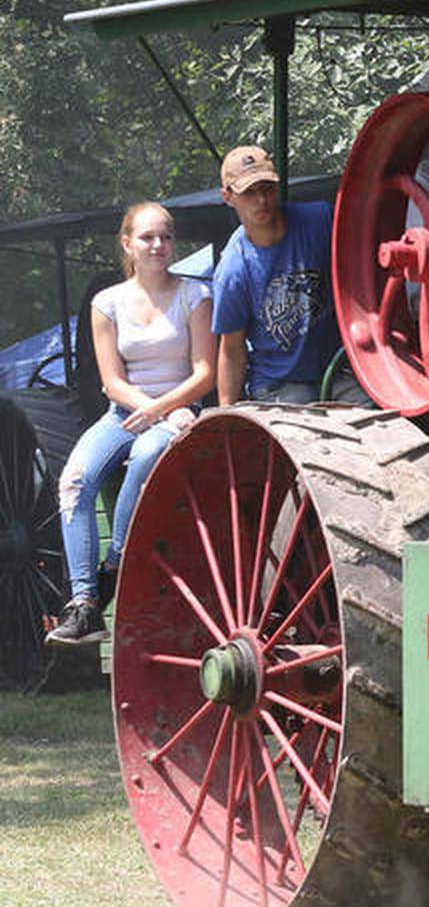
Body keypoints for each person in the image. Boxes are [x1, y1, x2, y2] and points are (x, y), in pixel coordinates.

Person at [46, 202, 216, 645]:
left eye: (166, 236)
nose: (159, 245)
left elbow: (205, 373)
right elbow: (111, 382)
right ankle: (84, 605)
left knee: (144, 460)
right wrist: (147, 407)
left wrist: (165, 409)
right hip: (124, 411)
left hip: (178, 410)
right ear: (127, 244)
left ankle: (115, 566)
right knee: (73, 481)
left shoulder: (195, 295)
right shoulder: (107, 303)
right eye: (148, 237)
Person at [212, 144, 345, 404]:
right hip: (280, 385)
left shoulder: (322, 219)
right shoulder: (232, 270)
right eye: (249, 192)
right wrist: (226, 418)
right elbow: (232, 349)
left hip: (340, 369)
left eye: (267, 189)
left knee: (377, 414)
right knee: (305, 428)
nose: (262, 200)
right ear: (228, 197)